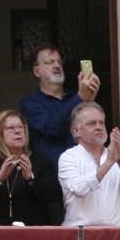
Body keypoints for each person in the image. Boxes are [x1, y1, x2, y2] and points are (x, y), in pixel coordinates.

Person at [0, 111, 64, 227]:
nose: (18, 131)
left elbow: (54, 195)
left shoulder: (41, 160)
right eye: (11, 128)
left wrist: (31, 179)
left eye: (21, 127)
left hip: (33, 232)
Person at [19, 42, 102, 175]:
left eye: (59, 61)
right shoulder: (29, 103)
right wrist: (80, 98)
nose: (57, 65)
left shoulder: (75, 99)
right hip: (50, 179)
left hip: (82, 177)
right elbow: (52, 127)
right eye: (50, 62)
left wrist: (89, 103)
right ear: (36, 71)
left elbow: (94, 135)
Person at [57, 103, 120, 227]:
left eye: (101, 123)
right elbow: (79, 188)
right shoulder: (68, 157)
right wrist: (109, 163)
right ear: (76, 131)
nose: (99, 127)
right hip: (80, 235)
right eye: (91, 124)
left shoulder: (117, 156)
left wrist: (119, 159)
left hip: (114, 236)